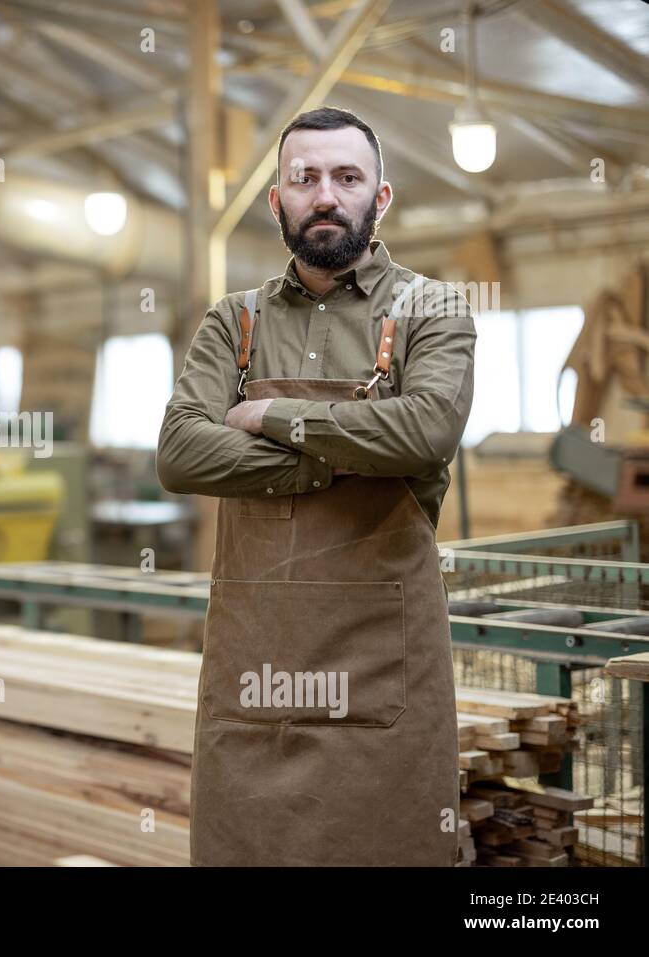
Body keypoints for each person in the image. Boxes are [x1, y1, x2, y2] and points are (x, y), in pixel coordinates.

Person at [157, 107, 476, 866]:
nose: (325, 195)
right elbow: (179, 453)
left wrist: (270, 415)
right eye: (304, 179)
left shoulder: (433, 309)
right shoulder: (233, 321)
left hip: (381, 667)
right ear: (277, 201)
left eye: (346, 177)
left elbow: (427, 431)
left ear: (382, 196)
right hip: (254, 674)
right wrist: (348, 449)